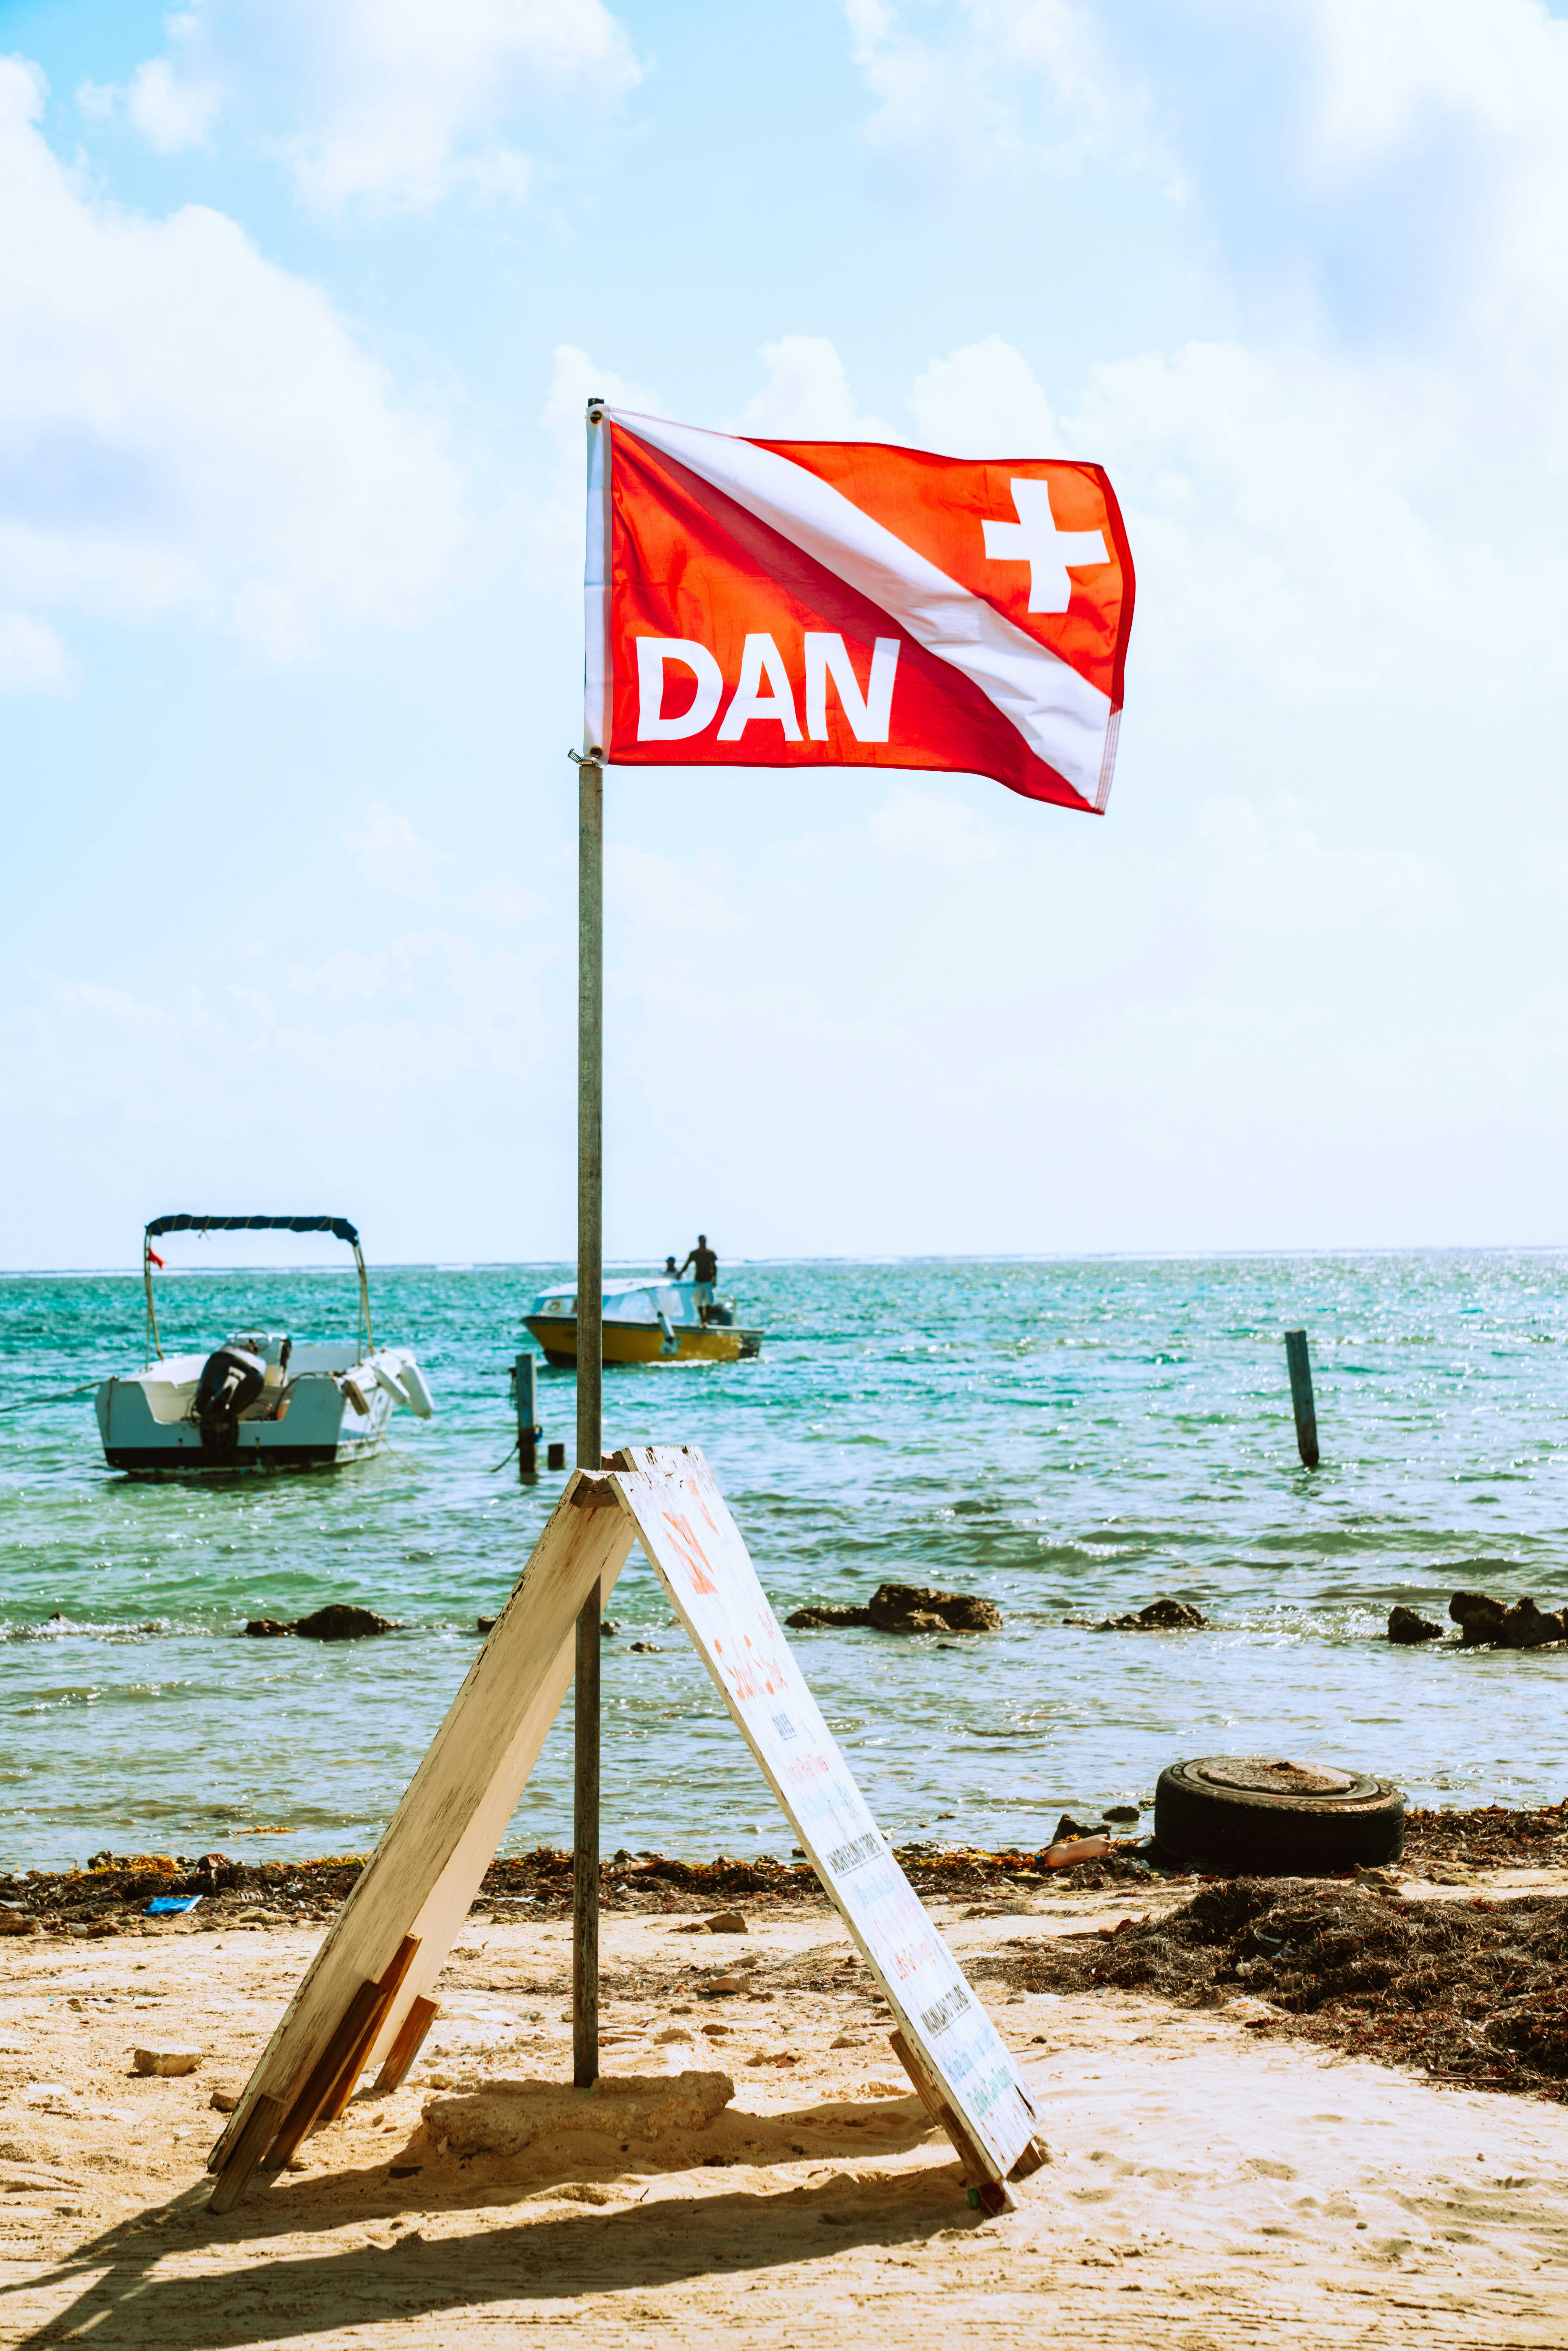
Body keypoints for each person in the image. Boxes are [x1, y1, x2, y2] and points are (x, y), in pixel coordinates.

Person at [678, 1233, 718, 1323]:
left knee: (709, 1302)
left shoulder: (711, 1253)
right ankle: (702, 1320)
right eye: (702, 1241)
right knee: (698, 1302)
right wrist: (681, 1273)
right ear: (699, 1242)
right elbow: (687, 1264)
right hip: (699, 1281)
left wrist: (715, 1279)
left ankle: (706, 1320)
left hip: (708, 1281)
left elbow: (714, 1267)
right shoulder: (694, 1253)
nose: (703, 1243)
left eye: (705, 1241)